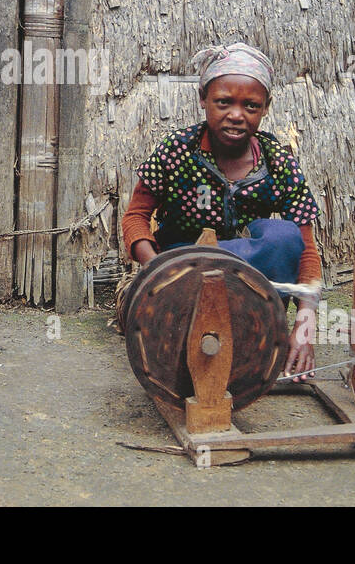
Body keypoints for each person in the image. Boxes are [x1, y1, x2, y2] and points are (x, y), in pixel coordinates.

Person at [120, 42, 322, 378]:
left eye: (251, 106)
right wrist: (155, 269)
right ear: (203, 99)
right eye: (223, 102)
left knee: (283, 236)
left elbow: (305, 247)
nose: (236, 115)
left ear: (266, 108)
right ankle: (188, 330)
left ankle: (253, 333)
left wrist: (305, 325)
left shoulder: (279, 163)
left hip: (244, 279)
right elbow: (135, 217)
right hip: (181, 271)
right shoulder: (177, 151)